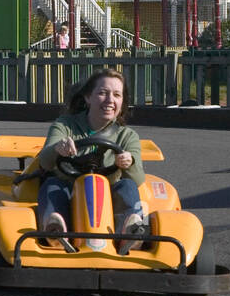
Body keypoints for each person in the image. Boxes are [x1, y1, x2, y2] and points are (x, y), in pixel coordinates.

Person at [35, 68, 147, 254]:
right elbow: (45, 162)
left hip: (109, 198)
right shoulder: (64, 125)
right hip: (70, 193)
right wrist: (57, 148)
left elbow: (138, 180)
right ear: (88, 98)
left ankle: (129, 234)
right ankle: (55, 230)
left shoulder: (128, 136)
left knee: (127, 186)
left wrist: (129, 162)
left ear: (122, 102)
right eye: (103, 93)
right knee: (52, 184)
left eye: (117, 95)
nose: (110, 100)